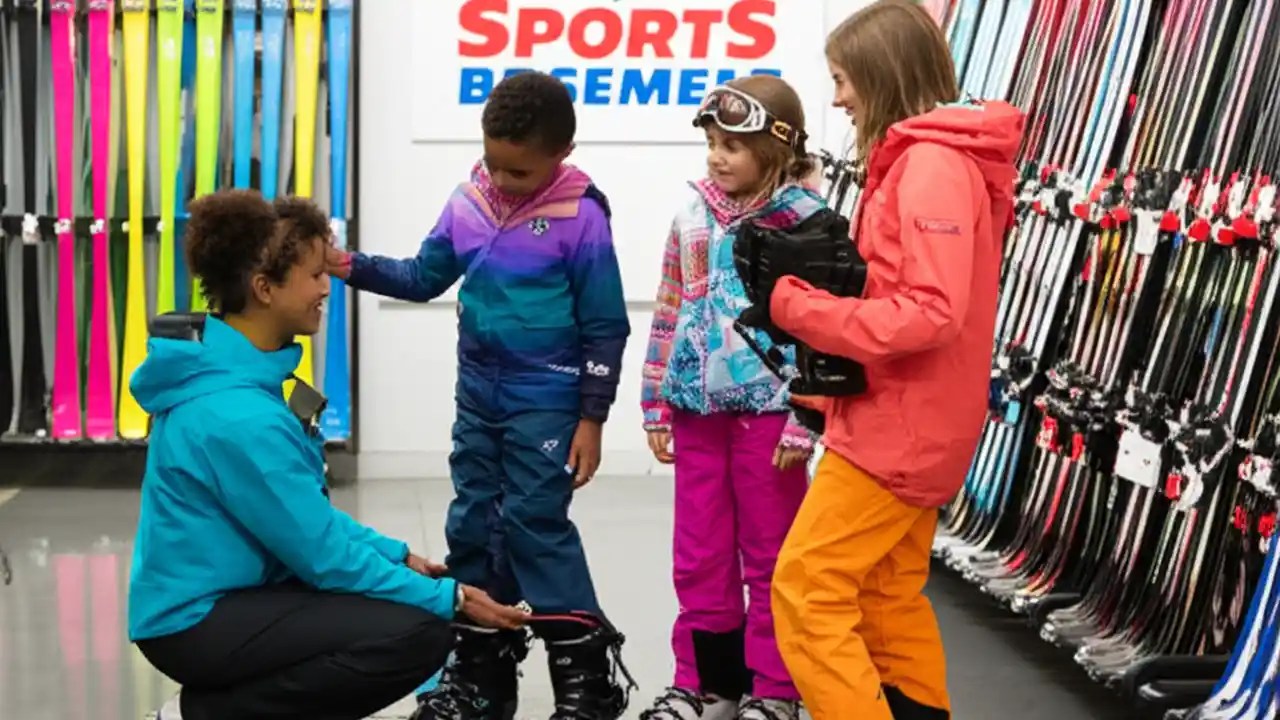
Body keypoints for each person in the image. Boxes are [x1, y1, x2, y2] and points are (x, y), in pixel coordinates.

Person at [127, 189, 529, 720]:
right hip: (195, 620)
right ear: (264, 288)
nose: (327, 286)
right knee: (414, 634)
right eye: (315, 274)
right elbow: (322, 556)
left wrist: (400, 556)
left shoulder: (244, 380)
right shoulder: (236, 416)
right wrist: (451, 598)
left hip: (239, 592)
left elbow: (305, 520)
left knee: (402, 603)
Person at [326, 70, 634, 720]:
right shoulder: (470, 200)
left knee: (533, 526)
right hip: (479, 397)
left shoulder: (582, 218)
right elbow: (421, 275)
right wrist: (350, 265)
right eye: (491, 162)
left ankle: (587, 683)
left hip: (547, 400)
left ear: (560, 157)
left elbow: (606, 326)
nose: (499, 178)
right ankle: (480, 678)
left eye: (517, 171)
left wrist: (592, 420)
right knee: (471, 522)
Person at [762, 2, 1026, 719]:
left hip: (899, 430)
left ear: (881, 74)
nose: (838, 97)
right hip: (905, 413)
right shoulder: (927, 159)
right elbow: (906, 294)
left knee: (807, 587)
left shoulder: (933, 166)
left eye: (844, 79)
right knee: (883, 593)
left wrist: (800, 309)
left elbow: (931, 313)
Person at [638, 74, 818, 720]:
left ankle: (775, 689)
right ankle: (708, 683)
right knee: (700, 554)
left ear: (774, 151)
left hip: (771, 418)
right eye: (711, 142)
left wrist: (807, 415)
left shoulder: (805, 223)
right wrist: (656, 398)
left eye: (731, 146)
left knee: (771, 557)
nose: (716, 156)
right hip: (696, 415)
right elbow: (669, 307)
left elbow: (823, 329)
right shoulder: (690, 217)